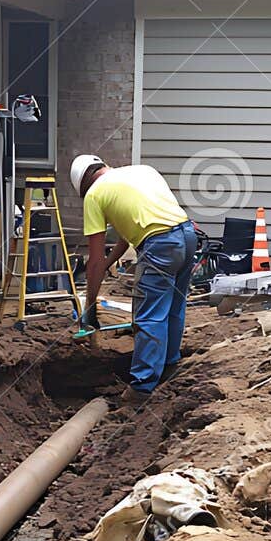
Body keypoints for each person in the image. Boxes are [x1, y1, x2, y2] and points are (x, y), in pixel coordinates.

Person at [70, 154, 198, 403]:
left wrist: (90, 306)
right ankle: (170, 366)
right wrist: (109, 264)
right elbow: (126, 235)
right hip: (187, 235)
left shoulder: (94, 195)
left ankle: (141, 388)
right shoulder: (142, 171)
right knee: (172, 307)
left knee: (148, 315)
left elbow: (94, 260)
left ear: (83, 185)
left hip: (160, 244)